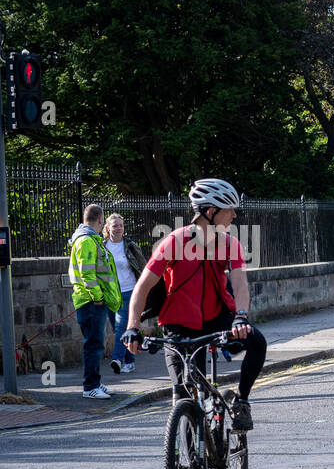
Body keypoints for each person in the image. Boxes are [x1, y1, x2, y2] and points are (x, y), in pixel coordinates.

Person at [123, 179, 267, 429]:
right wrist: (132, 326)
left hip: (216, 318)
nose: (234, 215)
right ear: (211, 212)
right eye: (229, 209)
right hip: (177, 324)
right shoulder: (175, 241)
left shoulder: (229, 243)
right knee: (185, 393)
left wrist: (241, 316)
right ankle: (189, 448)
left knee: (257, 342)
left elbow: (240, 283)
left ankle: (242, 402)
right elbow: (143, 286)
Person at [67, 204, 121, 399]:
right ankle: (90, 387)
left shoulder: (88, 240)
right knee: (93, 344)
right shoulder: (87, 241)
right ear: (100, 220)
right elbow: (87, 274)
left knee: (96, 343)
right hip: (91, 301)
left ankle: (95, 382)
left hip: (91, 301)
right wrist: (97, 298)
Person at [103, 213, 148, 376]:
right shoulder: (102, 246)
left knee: (122, 326)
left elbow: (143, 266)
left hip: (129, 291)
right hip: (110, 294)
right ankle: (130, 361)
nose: (119, 228)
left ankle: (117, 360)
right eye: (115, 225)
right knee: (118, 329)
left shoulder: (129, 245)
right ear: (108, 228)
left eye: (121, 225)